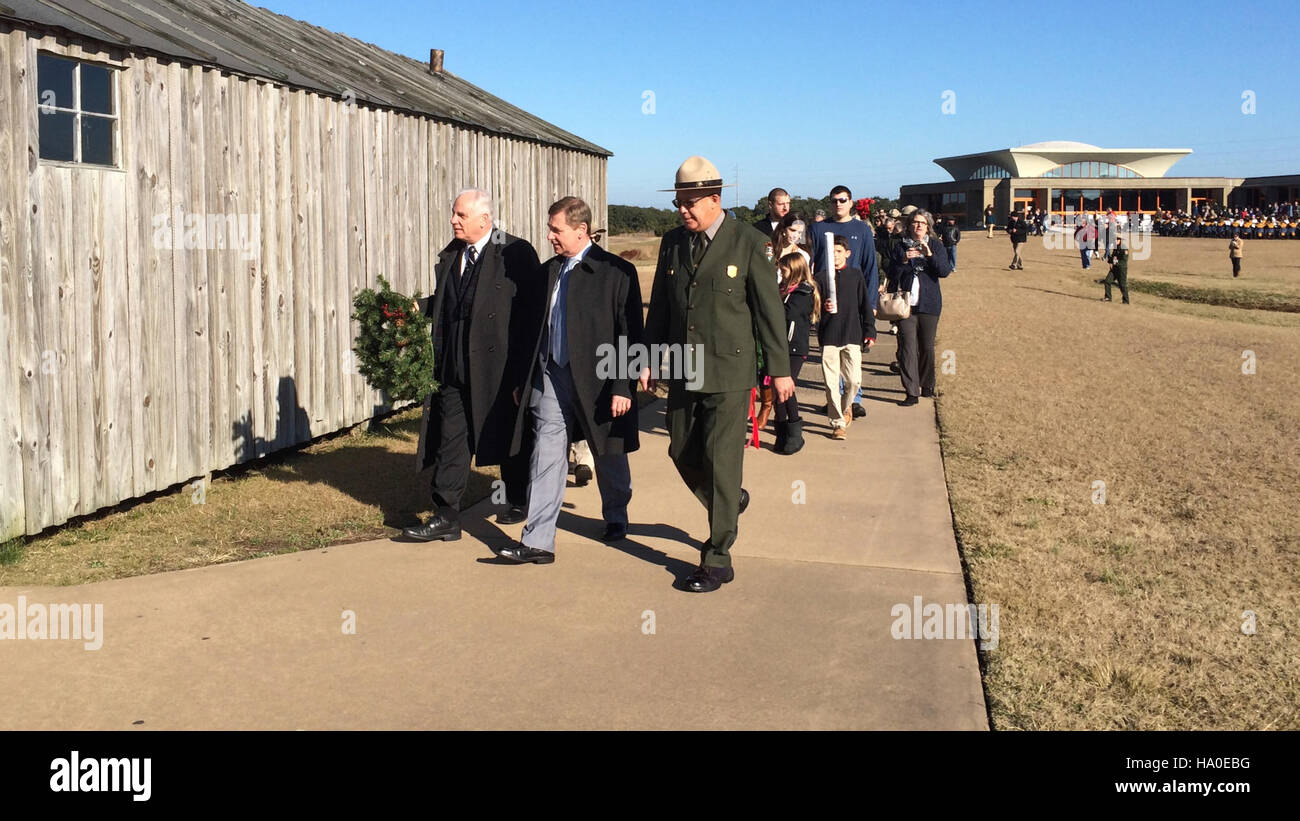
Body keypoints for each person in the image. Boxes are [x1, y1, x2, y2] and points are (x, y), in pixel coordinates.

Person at [644, 156, 794, 594]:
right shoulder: (673, 243)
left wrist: (780, 372)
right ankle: (728, 501)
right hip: (684, 368)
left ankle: (717, 556)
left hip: (730, 370)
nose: (682, 211)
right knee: (680, 449)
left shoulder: (748, 242)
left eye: (690, 203)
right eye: (678, 203)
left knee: (722, 459)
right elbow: (663, 308)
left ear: (715, 199)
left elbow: (769, 311)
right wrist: (649, 356)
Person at [494, 197, 645, 564]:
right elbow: (530, 331)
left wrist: (623, 386)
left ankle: (616, 515)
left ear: (582, 231)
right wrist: (523, 377)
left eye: (556, 230)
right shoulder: (547, 273)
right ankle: (539, 542)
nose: (549, 237)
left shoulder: (616, 273)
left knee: (608, 451)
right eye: (550, 229)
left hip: (600, 380)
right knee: (546, 455)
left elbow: (631, 332)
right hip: (551, 375)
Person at [404, 189, 542, 542]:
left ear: (484, 220)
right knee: (452, 439)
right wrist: (419, 307)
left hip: (497, 369)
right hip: (453, 366)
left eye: (460, 215)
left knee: (506, 432)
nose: (453, 220)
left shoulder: (514, 251)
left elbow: (531, 315)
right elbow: (454, 301)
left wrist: (523, 375)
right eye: (453, 214)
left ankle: (517, 496)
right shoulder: (453, 255)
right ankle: (446, 515)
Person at [810, 185, 878, 419]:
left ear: (851, 202)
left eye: (843, 200)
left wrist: (871, 303)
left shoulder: (862, 229)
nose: (838, 204)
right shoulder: (819, 228)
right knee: (830, 354)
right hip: (827, 300)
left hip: (854, 299)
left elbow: (870, 266)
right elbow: (813, 264)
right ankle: (835, 403)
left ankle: (853, 401)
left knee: (852, 357)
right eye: (834, 200)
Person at [888, 209, 952, 405]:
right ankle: (911, 392)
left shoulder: (935, 244)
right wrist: (904, 260)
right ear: (909, 225)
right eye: (915, 222)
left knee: (926, 347)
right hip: (906, 305)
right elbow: (892, 272)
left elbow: (944, 271)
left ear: (928, 226)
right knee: (907, 348)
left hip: (929, 304)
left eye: (922, 223)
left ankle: (927, 384)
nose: (918, 226)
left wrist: (929, 254)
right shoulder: (900, 246)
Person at [814, 235, 870, 439]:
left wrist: (869, 331)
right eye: (832, 252)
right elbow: (813, 308)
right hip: (829, 336)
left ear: (847, 254)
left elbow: (864, 305)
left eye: (839, 251)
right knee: (831, 384)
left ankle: (847, 409)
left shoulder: (856, 275)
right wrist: (823, 307)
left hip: (852, 335)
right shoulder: (820, 277)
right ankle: (837, 423)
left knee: (854, 380)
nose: (835, 255)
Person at [772, 252, 818, 454]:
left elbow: (788, 313)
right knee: (776, 391)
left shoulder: (804, 292)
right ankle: (781, 430)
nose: (781, 273)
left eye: (784, 270)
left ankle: (795, 431)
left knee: (787, 389)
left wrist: (775, 301)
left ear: (796, 270)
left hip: (794, 347)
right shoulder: (782, 289)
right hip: (778, 345)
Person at [1101, 235, 1129, 303]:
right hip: (1114, 269)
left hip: (1121, 269)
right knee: (1107, 281)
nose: (1115, 241)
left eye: (1117, 240)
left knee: (1122, 285)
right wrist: (1109, 259)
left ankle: (1126, 300)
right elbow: (1113, 257)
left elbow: (1124, 260)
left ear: (1120, 240)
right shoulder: (1115, 248)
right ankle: (1108, 297)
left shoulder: (1124, 249)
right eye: (1114, 240)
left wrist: (1115, 262)